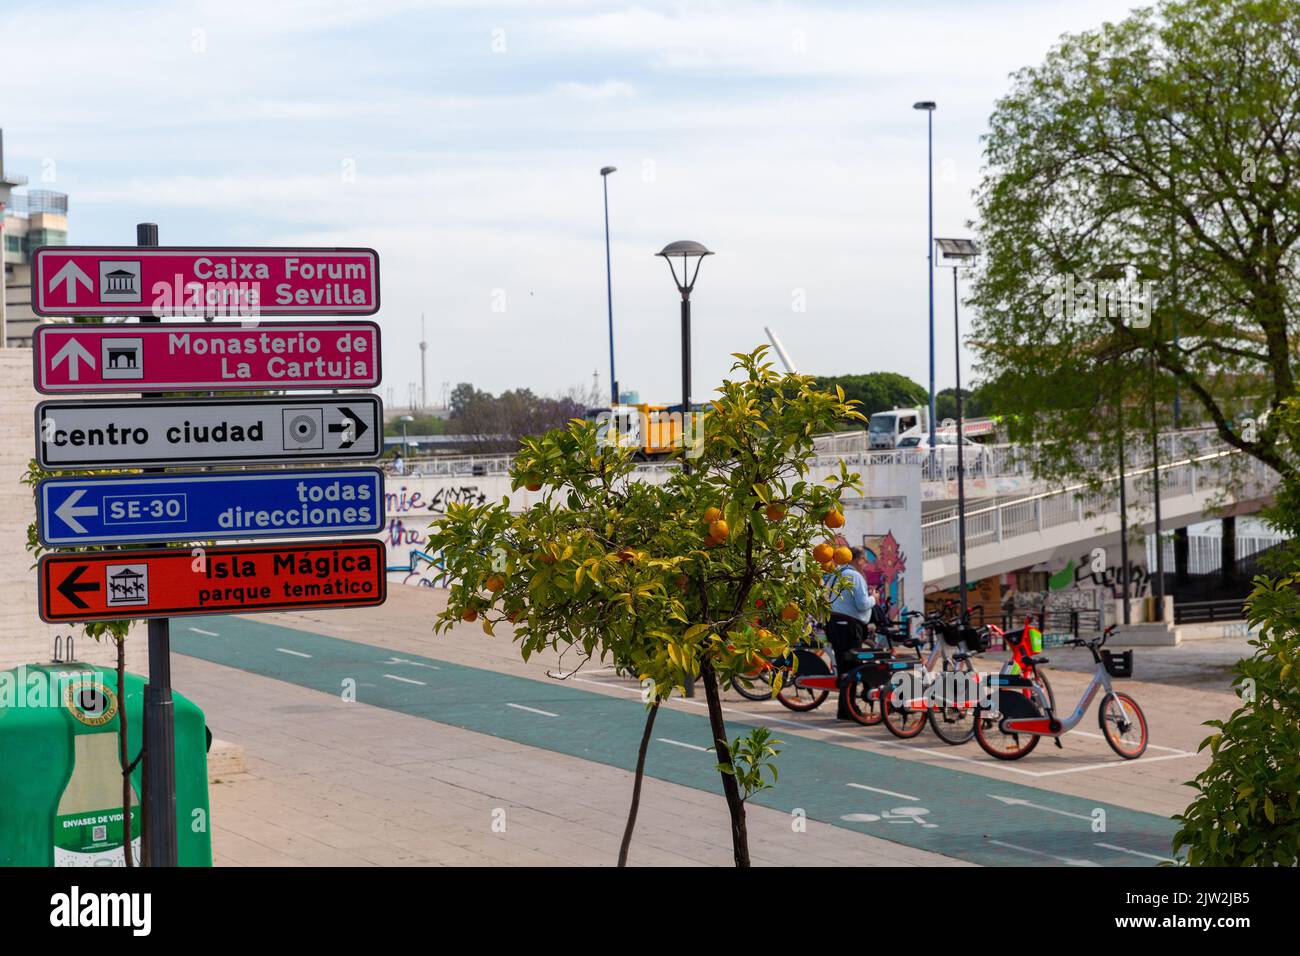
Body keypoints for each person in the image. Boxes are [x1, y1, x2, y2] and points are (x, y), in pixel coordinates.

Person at [824, 547, 876, 719]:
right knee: (852, 668)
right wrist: (873, 598)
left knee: (845, 668)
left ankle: (845, 708)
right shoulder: (855, 576)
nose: (866, 564)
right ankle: (849, 709)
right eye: (865, 560)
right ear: (858, 559)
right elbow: (862, 604)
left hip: (834, 624)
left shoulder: (836, 573)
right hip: (848, 627)